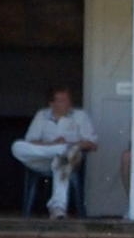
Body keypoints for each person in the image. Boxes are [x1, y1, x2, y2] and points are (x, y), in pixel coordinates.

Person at [11, 85, 97, 217]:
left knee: (62, 160)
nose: (67, 103)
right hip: (42, 159)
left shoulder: (80, 116)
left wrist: (70, 144)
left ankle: (58, 208)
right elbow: (31, 141)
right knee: (17, 146)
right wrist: (53, 145)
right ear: (52, 103)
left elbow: (92, 144)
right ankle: (60, 150)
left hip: (70, 159)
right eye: (61, 100)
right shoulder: (42, 115)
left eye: (68, 100)